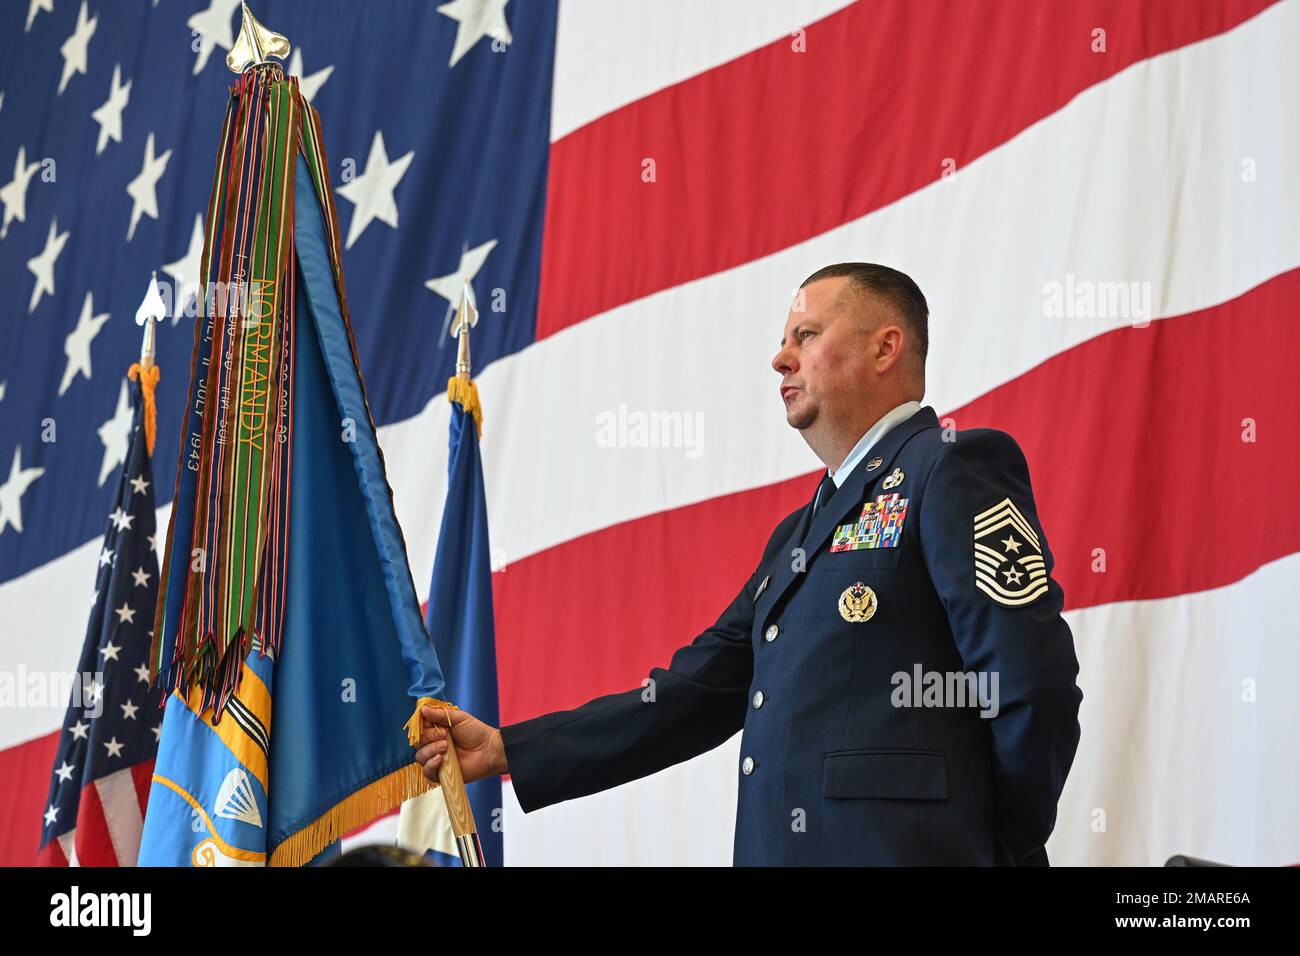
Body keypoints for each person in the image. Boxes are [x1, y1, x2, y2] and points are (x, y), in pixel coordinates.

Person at [416, 262, 1083, 865]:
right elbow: (691, 695)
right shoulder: (799, 533)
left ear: (886, 347)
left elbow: (1032, 681)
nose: (779, 358)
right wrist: (510, 749)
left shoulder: (951, 466)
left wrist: (996, 842)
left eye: (806, 335)